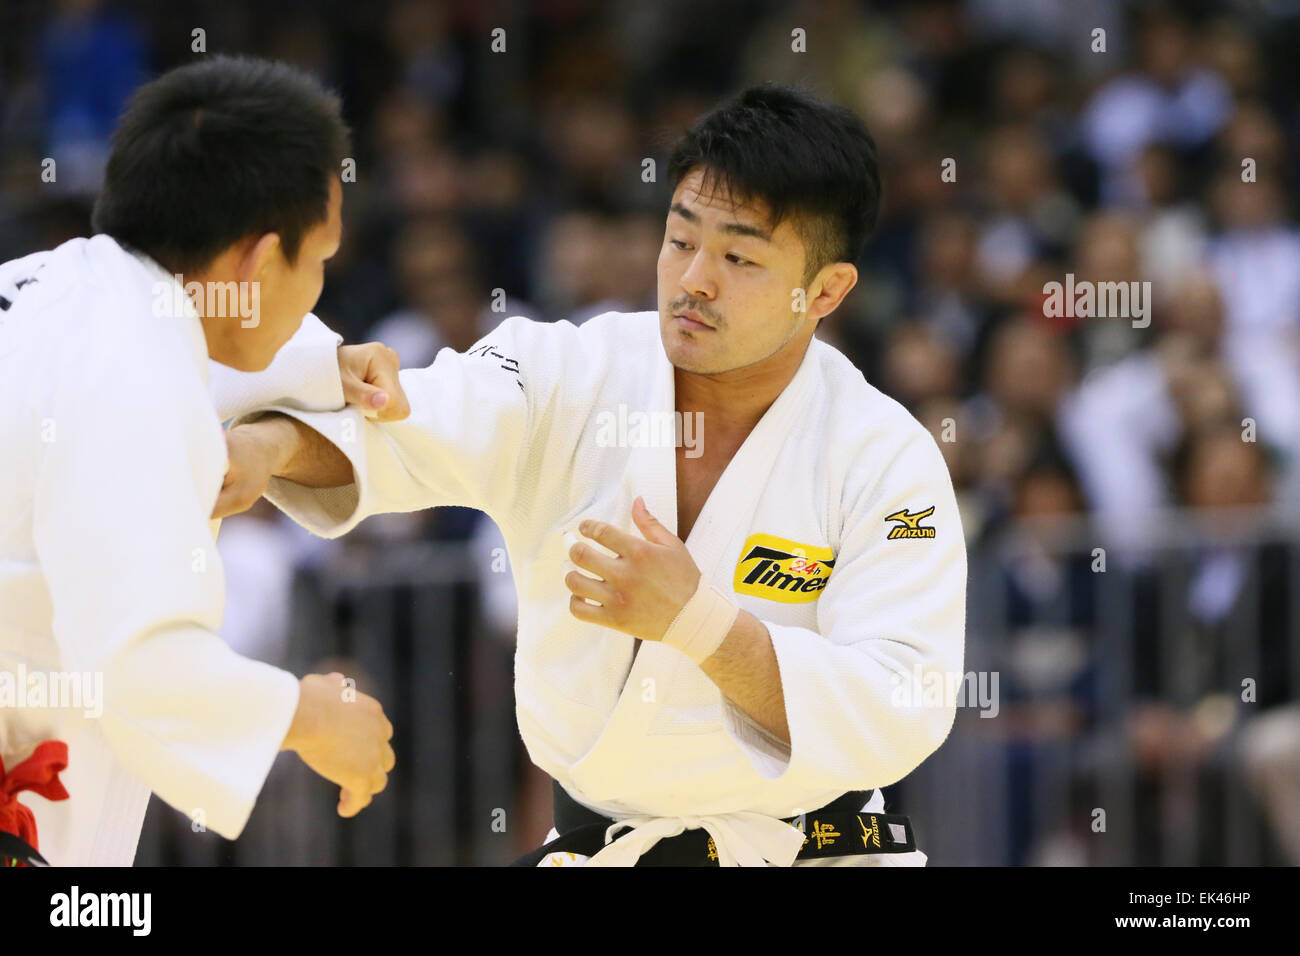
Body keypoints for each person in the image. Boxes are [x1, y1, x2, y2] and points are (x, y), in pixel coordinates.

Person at [219, 84, 966, 866]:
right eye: (681, 241)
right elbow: (409, 421)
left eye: (740, 256)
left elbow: (900, 701)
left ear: (826, 290)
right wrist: (269, 447)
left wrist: (697, 624)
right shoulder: (568, 372)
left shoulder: (885, 456)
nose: (695, 280)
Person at [0, 55, 408, 867]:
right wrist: (311, 716)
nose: (320, 288)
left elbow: (215, 347)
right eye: (318, 260)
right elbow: (139, 662)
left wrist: (330, 368)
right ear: (257, 261)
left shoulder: (61, 287)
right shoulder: (131, 380)